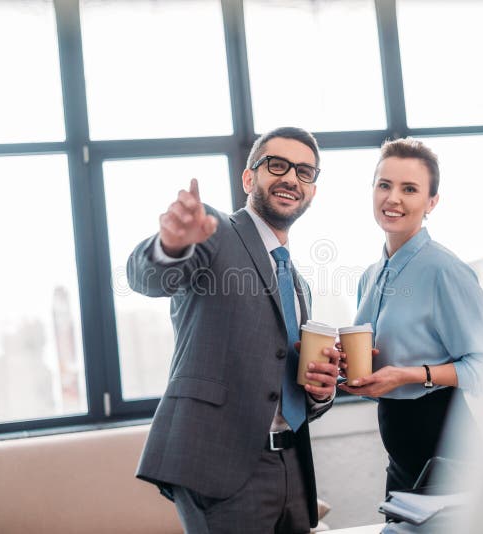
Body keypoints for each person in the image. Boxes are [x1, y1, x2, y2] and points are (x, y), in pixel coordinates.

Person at [127, 127, 341, 533]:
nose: (292, 178)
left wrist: (321, 391)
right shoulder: (216, 231)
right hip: (220, 464)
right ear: (249, 178)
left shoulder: (297, 282)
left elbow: (284, 380)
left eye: (305, 172)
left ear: (312, 190)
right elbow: (147, 275)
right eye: (277, 165)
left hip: (292, 465)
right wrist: (171, 245)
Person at [338, 138, 483, 494]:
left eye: (409, 189)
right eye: (384, 184)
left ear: (431, 202)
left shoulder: (444, 271)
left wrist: (410, 375)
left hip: (447, 456)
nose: (393, 198)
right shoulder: (371, 276)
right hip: (401, 460)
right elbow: (381, 364)